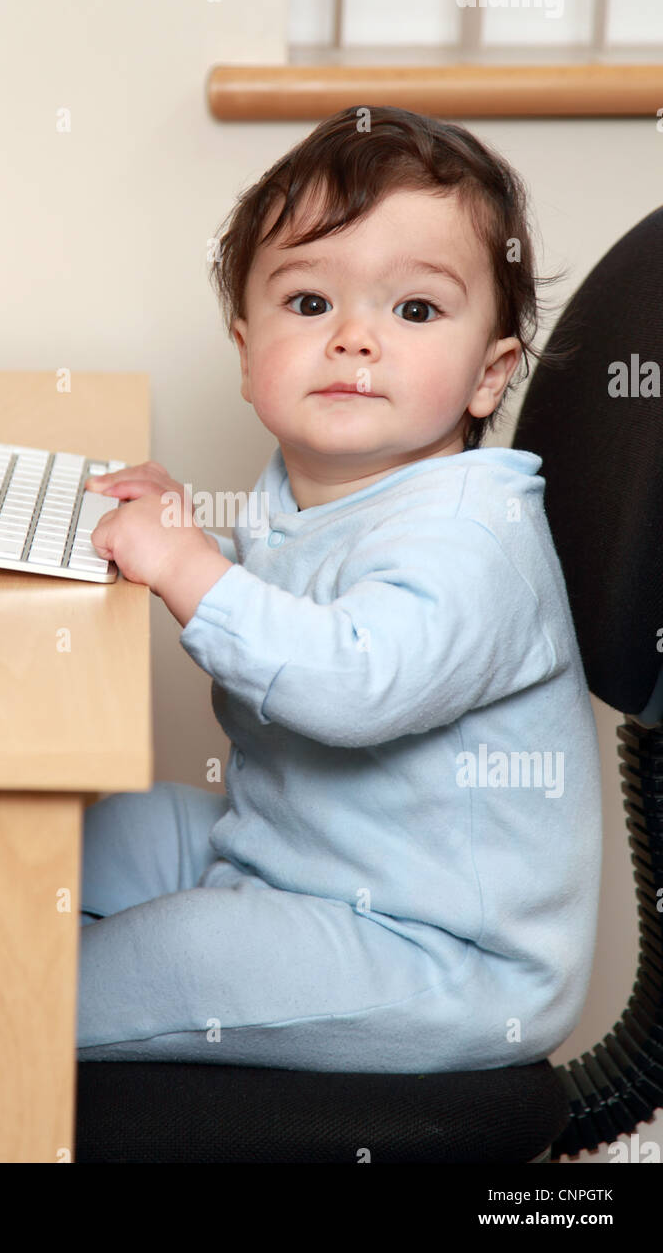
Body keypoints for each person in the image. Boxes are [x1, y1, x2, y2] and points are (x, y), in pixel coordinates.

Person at [74, 104, 602, 1073]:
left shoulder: (471, 535)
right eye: (310, 303)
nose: (354, 338)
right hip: (290, 854)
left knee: (186, 953)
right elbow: (292, 606)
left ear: (488, 376)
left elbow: (350, 681)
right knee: (92, 827)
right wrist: (183, 529)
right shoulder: (312, 490)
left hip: (440, 950)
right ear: (245, 349)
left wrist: (187, 569)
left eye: (412, 310)